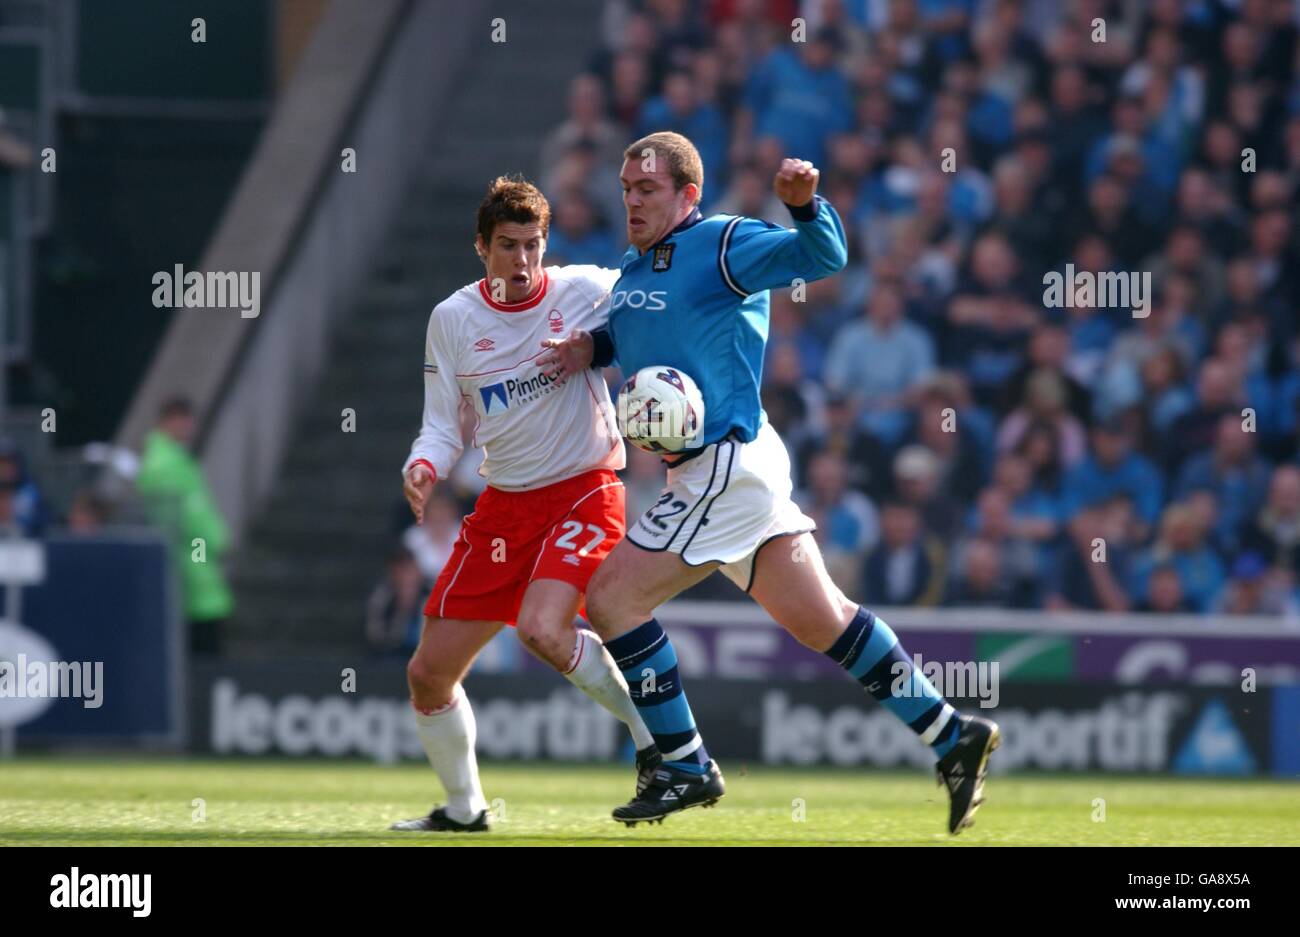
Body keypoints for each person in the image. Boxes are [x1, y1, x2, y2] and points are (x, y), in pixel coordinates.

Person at [539, 131, 1000, 834]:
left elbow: (824, 257)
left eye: (648, 190)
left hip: (723, 462)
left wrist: (806, 206)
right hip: (727, 466)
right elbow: (640, 331)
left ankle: (685, 761)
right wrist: (589, 347)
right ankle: (949, 733)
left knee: (611, 599)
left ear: (688, 194)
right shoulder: (634, 271)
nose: (631, 200)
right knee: (824, 620)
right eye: (627, 189)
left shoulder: (723, 244)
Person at [391, 176, 657, 834]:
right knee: (428, 673)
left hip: (586, 488)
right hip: (504, 506)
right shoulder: (452, 319)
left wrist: (604, 351)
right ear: (481, 248)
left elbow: (658, 295)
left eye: (533, 245)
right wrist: (424, 463)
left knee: (542, 630)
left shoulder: (586, 290)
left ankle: (658, 738)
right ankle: (464, 808)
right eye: (507, 246)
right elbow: (444, 423)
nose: (522, 260)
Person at [135, 398, 233, 656]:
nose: (187, 426)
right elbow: (190, 516)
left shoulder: (174, 459)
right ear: (166, 421)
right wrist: (217, 539)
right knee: (200, 647)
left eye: (189, 419)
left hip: (194, 564)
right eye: (181, 419)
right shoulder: (164, 464)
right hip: (189, 567)